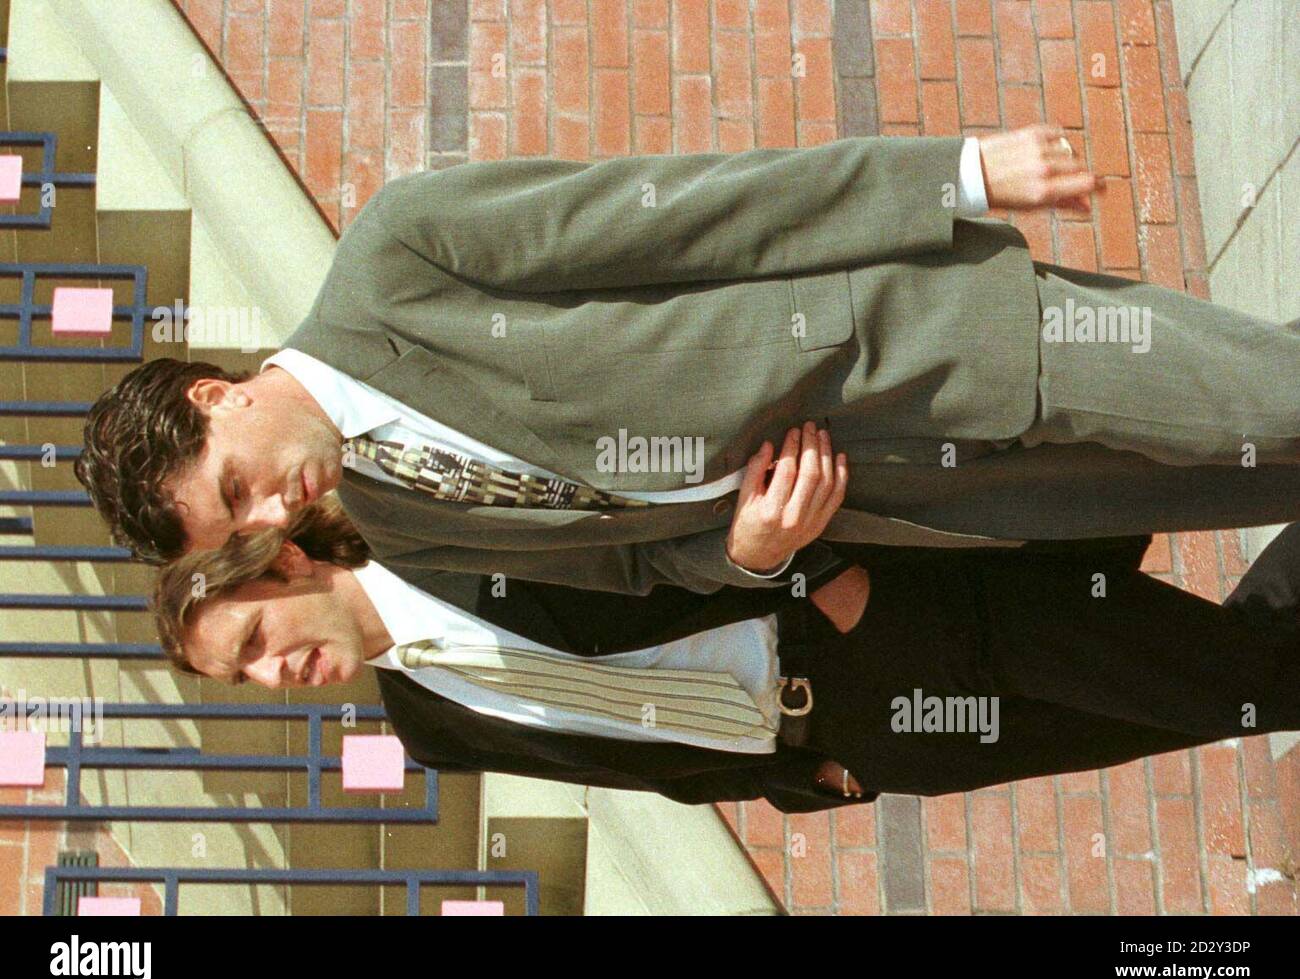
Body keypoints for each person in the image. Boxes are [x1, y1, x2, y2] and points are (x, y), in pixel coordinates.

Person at [79, 124, 1300, 593]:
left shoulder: (399, 255)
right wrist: (742, 553)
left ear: (216, 396)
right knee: (1262, 471)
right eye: (235, 532)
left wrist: (952, 174)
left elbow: (687, 211)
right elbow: (639, 570)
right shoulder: (404, 530)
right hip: (924, 494)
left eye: (234, 486)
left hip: (917, 340)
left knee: (1272, 397)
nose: (268, 513)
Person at [150, 497, 1300, 809]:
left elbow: (651, 517)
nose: (272, 673)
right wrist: (812, 782)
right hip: (867, 735)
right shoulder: (430, 728)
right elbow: (639, 760)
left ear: (286, 566)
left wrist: (825, 584)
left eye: (253, 640)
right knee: (1219, 696)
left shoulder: (447, 535)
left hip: (876, 619)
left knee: (1245, 682)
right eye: (243, 679)